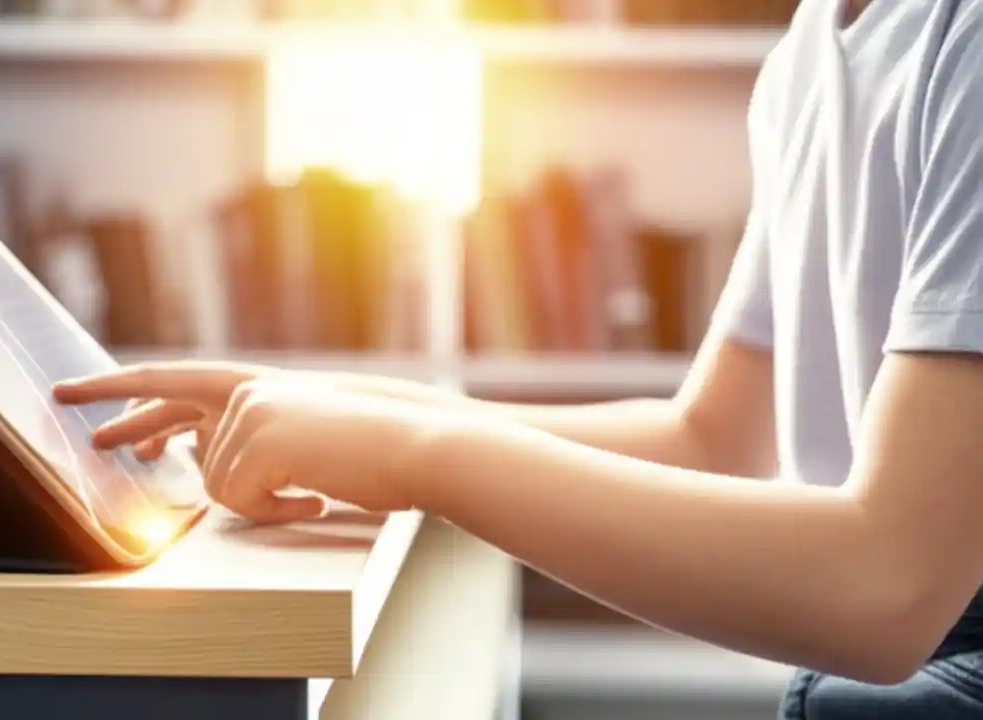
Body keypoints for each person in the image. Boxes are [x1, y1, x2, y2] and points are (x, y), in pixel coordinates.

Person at [55, 0, 983, 716]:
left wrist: (412, 456)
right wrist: (335, 405)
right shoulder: (818, 40)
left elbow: (886, 592)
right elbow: (711, 439)